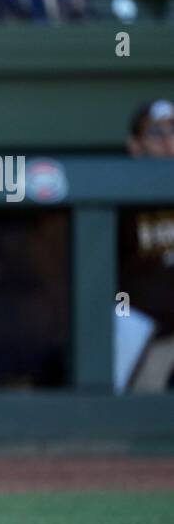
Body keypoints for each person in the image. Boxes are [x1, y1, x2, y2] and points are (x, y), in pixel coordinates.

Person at [115, 99, 174, 392]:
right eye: (156, 133)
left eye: (173, 131)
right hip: (145, 336)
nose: (168, 142)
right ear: (135, 146)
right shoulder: (122, 201)